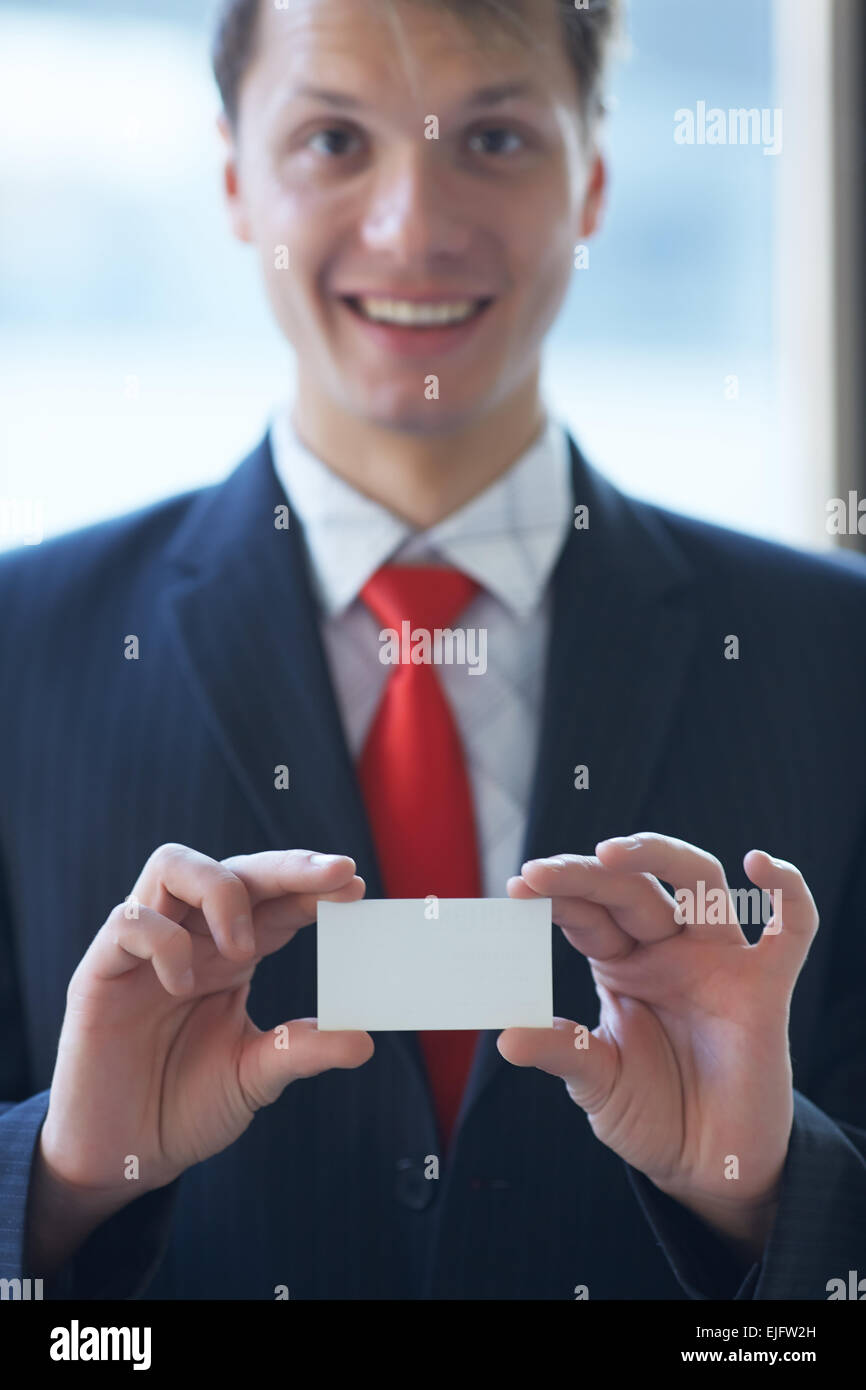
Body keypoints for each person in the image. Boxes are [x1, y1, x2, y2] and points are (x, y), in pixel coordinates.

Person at [1, 0, 864, 1302]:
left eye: (496, 138)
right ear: (236, 179)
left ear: (594, 180)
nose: (412, 224)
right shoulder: (21, 648)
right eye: (336, 139)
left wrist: (764, 1194)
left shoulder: (834, 653)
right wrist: (63, 1181)